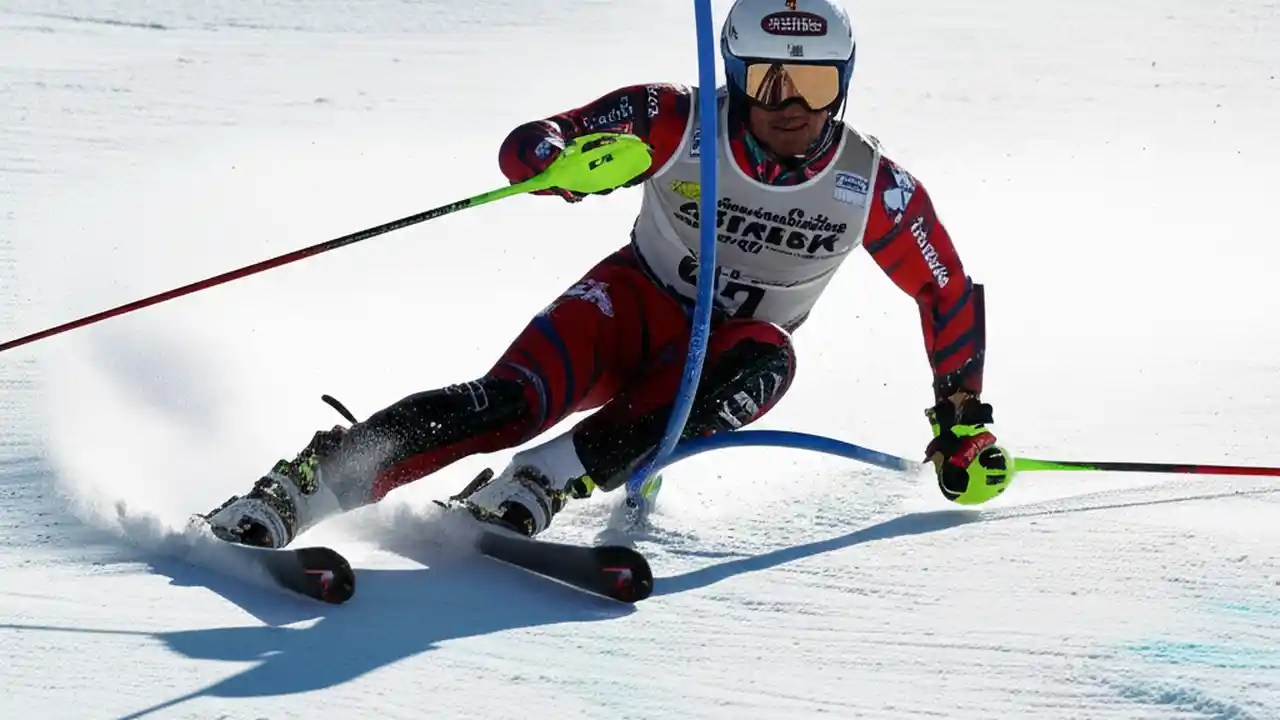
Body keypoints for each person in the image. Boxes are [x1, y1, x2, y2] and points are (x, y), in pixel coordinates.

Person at [203, 0, 1010, 549]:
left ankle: (539, 484)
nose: (789, 104)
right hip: (627, 306)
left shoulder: (873, 186)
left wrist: (963, 424)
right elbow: (539, 143)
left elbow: (942, 291)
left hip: (721, 357)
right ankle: (302, 489)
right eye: (768, 79)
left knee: (767, 357)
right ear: (733, 71)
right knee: (508, 402)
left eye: (814, 83)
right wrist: (558, 161)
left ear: (845, 83)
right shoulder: (678, 120)